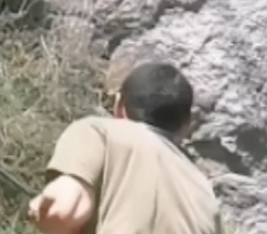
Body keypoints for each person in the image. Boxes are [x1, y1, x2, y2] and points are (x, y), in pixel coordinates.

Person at [28, 61, 224, 234]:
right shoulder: (202, 189)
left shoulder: (99, 132)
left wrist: (41, 208)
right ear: (185, 127)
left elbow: (63, 210)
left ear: (119, 105)